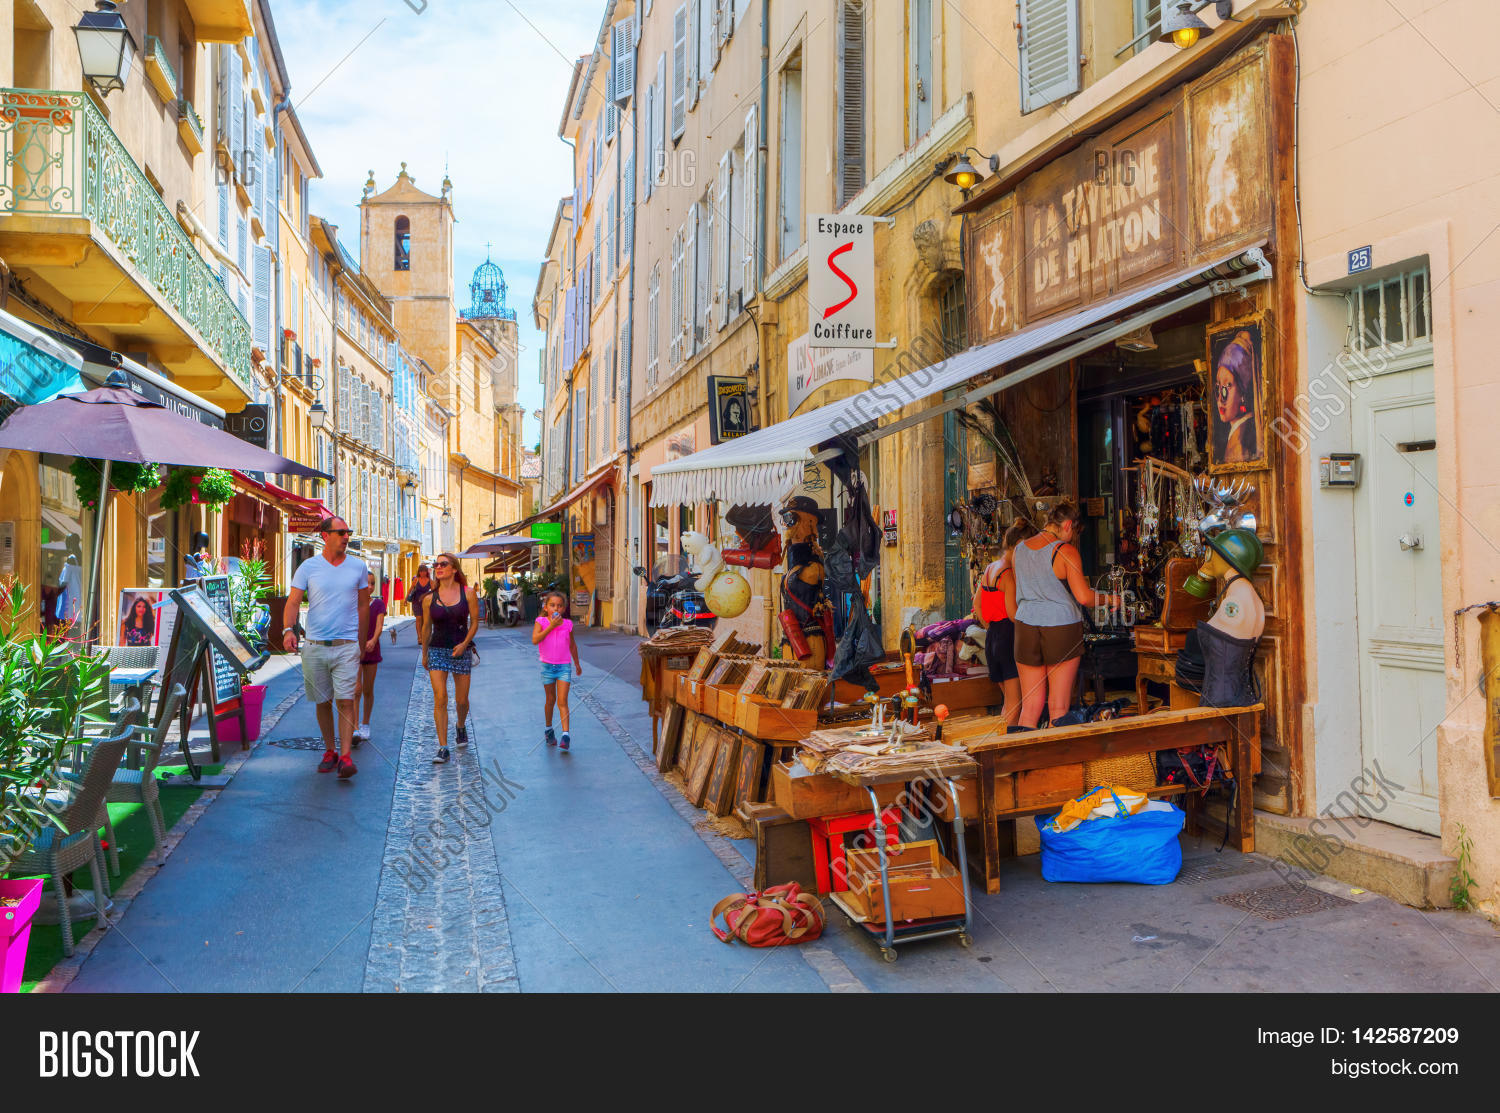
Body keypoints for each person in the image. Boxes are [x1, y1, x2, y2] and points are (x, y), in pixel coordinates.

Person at [1012, 502, 1122, 730]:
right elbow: (1083, 597)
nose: (1071, 539)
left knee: (1030, 706)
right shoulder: (1065, 551)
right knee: (1059, 707)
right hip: (1059, 627)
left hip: (1025, 626)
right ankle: (1052, 764)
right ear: (1068, 525)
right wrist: (1111, 599)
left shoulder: (1019, 550)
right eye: (1073, 534)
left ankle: (1023, 763)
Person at [283, 517, 369, 778]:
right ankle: (330, 750)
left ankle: (345, 756)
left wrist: (362, 642)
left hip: (346, 646)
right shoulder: (308, 567)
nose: (346, 536)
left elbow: (364, 605)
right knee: (323, 701)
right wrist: (289, 629)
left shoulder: (358, 567)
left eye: (348, 532)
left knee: (345, 700)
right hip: (316, 645)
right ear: (325, 536)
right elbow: (293, 601)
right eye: (341, 532)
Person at [972, 519, 1035, 727]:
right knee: (1016, 705)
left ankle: (1000, 742)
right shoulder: (1008, 574)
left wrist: (991, 628)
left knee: (1007, 703)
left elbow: (976, 604)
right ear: (1019, 545)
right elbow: (1013, 614)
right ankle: (1007, 749)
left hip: (993, 638)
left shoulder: (990, 569)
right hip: (1008, 637)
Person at [421, 553, 479, 765]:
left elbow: (474, 622)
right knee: (440, 698)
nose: (438, 567)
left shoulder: (468, 593)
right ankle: (443, 746)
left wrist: (464, 644)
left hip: (460, 650)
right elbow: (427, 627)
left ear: (454, 569)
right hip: (437, 649)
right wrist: (425, 653)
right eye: (436, 564)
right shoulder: (429, 598)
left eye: (443, 564)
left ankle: (460, 726)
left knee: (462, 700)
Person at [532, 590, 581, 750]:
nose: (556, 608)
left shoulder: (568, 624)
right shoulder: (541, 621)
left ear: (563, 609)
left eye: (559, 606)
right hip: (547, 667)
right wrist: (551, 626)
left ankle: (566, 735)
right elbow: (535, 640)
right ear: (546, 607)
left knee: (562, 701)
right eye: (552, 605)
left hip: (564, 667)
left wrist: (577, 664)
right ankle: (548, 729)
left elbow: (572, 645)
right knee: (550, 700)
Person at [1214, 330, 1258, 464]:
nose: (1221, 398)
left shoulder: (1239, 444)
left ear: (1243, 393)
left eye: (1227, 387)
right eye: (1217, 388)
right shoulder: (1239, 432)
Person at [355, 570, 387, 746]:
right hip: (355, 650)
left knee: (368, 689)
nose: (370, 586)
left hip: (372, 649)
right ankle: (353, 726)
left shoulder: (378, 604)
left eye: (373, 583)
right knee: (356, 689)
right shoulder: (354, 603)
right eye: (367, 583)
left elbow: (379, 625)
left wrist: (373, 640)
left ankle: (365, 723)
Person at [406, 563, 433, 642]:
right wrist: (405, 599)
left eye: (424, 571)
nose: (422, 573)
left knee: (425, 620)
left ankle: (424, 635)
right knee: (419, 618)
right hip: (416, 601)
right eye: (421, 571)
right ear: (419, 572)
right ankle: (419, 637)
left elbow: (435, 590)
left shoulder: (430, 581)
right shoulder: (416, 580)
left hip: (426, 602)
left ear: (426, 572)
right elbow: (410, 589)